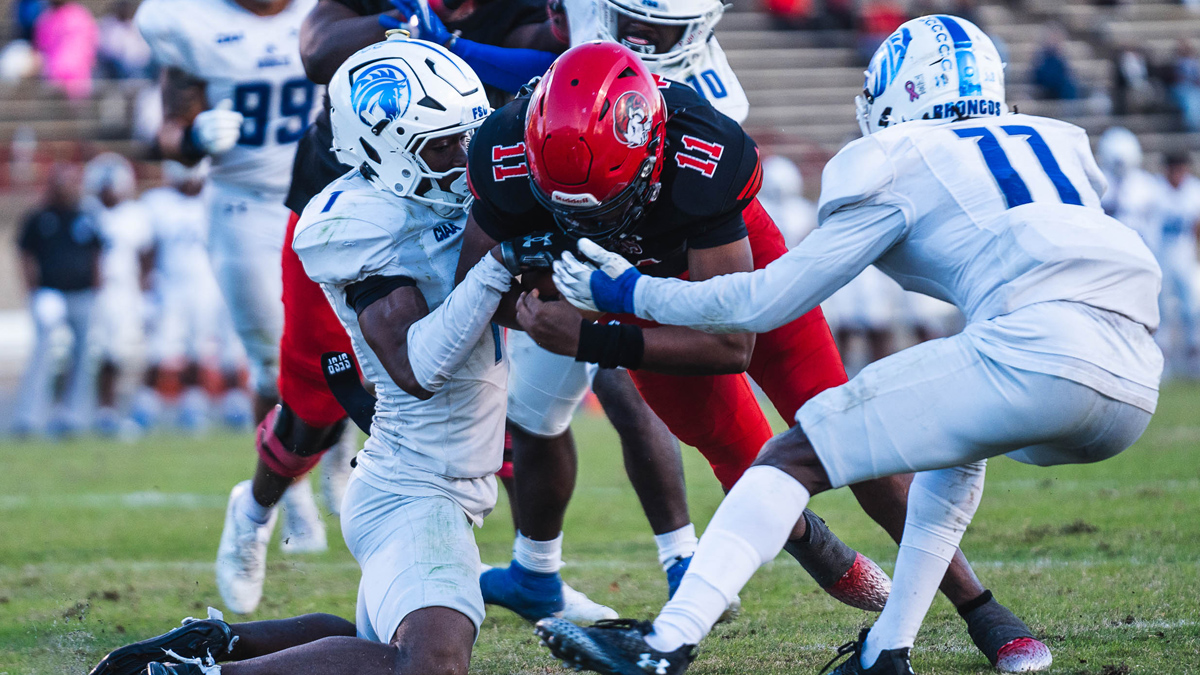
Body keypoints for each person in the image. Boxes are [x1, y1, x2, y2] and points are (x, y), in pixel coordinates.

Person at [539, 15, 1160, 675]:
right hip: (1135, 376)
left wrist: (629, 293)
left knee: (789, 454)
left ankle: (662, 646)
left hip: (1041, 358)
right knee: (957, 438)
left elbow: (766, 301)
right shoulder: (1060, 142)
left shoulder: (897, 157)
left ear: (905, 91)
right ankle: (887, 650)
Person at [87, 34, 527, 675]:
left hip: (429, 478)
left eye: (467, 137)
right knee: (430, 663)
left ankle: (218, 646)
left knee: (371, 641)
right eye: (442, 144)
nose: (463, 158)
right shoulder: (355, 220)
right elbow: (419, 366)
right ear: (385, 148)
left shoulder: (442, 197)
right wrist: (498, 266)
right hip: (416, 485)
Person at [135, 0, 330, 613]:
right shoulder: (187, 22)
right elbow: (170, 136)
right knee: (276, 364)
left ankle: (339, 471)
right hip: (244, 204)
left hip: (330, 198)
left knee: (347, 351)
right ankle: (286, 492)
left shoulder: (326, 12)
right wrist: (192, 136)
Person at [13, 164, 101, 437]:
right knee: (43, 354)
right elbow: (25, 254)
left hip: (82, 293)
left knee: (84, 355)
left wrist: (98, 286)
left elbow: (98, 251)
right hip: (50, 293)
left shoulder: (86, 215)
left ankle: (75, 417)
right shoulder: (39, 217)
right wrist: (33, 289)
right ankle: (30, 417)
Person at [83, 152, 154, 437]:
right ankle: (105, 411)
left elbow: (146, 254)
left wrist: (146, 288)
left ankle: (128, 412)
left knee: (129, 355)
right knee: (100, 354)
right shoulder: (88, 212)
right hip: (97, 293)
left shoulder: (135, 215)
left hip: (127, 291)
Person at [1155, 152, 1200, 372]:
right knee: (1161, 308)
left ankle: (1194, 356)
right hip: (1161, 255)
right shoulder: (1154, 191)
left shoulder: (1193, 190)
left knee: (1191, 307)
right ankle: (1163, 360)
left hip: (1185, 255)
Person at [32, 0, 98, 99]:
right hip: (52, 80)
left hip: (77, 82)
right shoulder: (45, 19)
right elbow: (40, 48)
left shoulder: (80, 16)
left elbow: (91, 45)